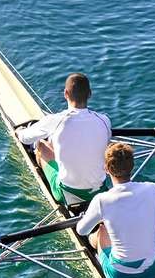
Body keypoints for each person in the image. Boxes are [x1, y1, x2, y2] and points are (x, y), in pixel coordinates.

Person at [75, 142, 155, 278]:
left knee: (101, 231)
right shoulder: (151, 189)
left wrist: (91, 217)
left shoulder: (101, 200)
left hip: (119, 276)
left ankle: (100, 252)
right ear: (132, 166)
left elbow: (81, 230)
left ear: (106, 169)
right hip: (152, 270)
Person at [16, 73, 112, 205]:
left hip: (67, 194)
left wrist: (19, 131)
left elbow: (24, 138)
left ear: (66, 93)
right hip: (99, 191)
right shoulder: (105, 121)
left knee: (41, 145)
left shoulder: (55, 120)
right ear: (89, 94)